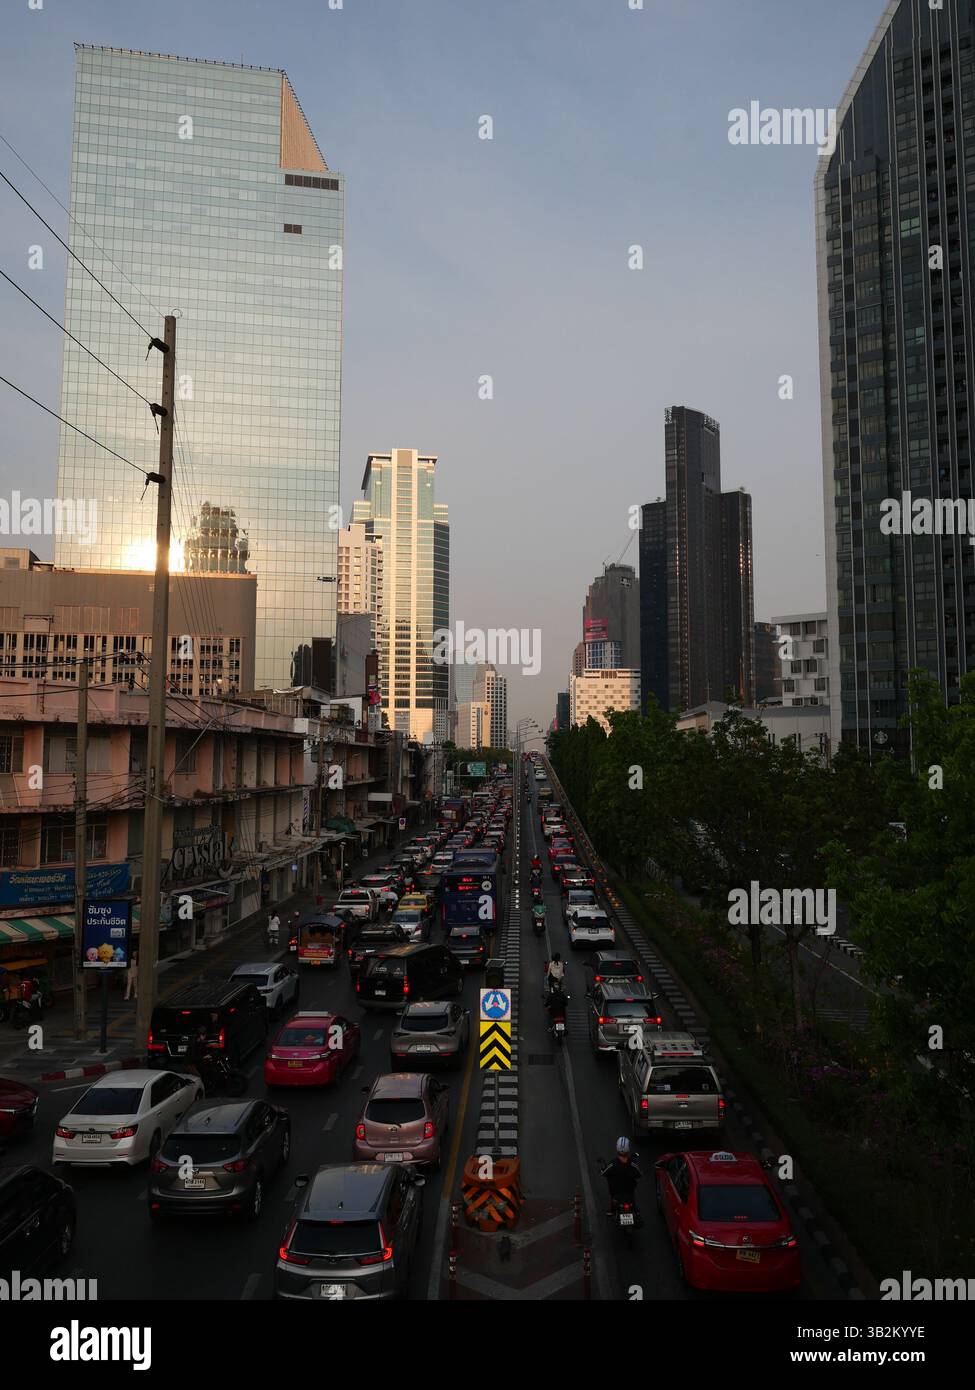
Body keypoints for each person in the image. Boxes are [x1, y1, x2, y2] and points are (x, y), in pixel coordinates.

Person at [601, 1137, 642, 1215]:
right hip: (629, 1192)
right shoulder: (632, 1165)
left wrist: (602, 1170)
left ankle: (612, 1210)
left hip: (616, 1192)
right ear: (628, 1149)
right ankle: (635, 1209)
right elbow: (639, 1174)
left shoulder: (612, 1164)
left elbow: (604, 1173)